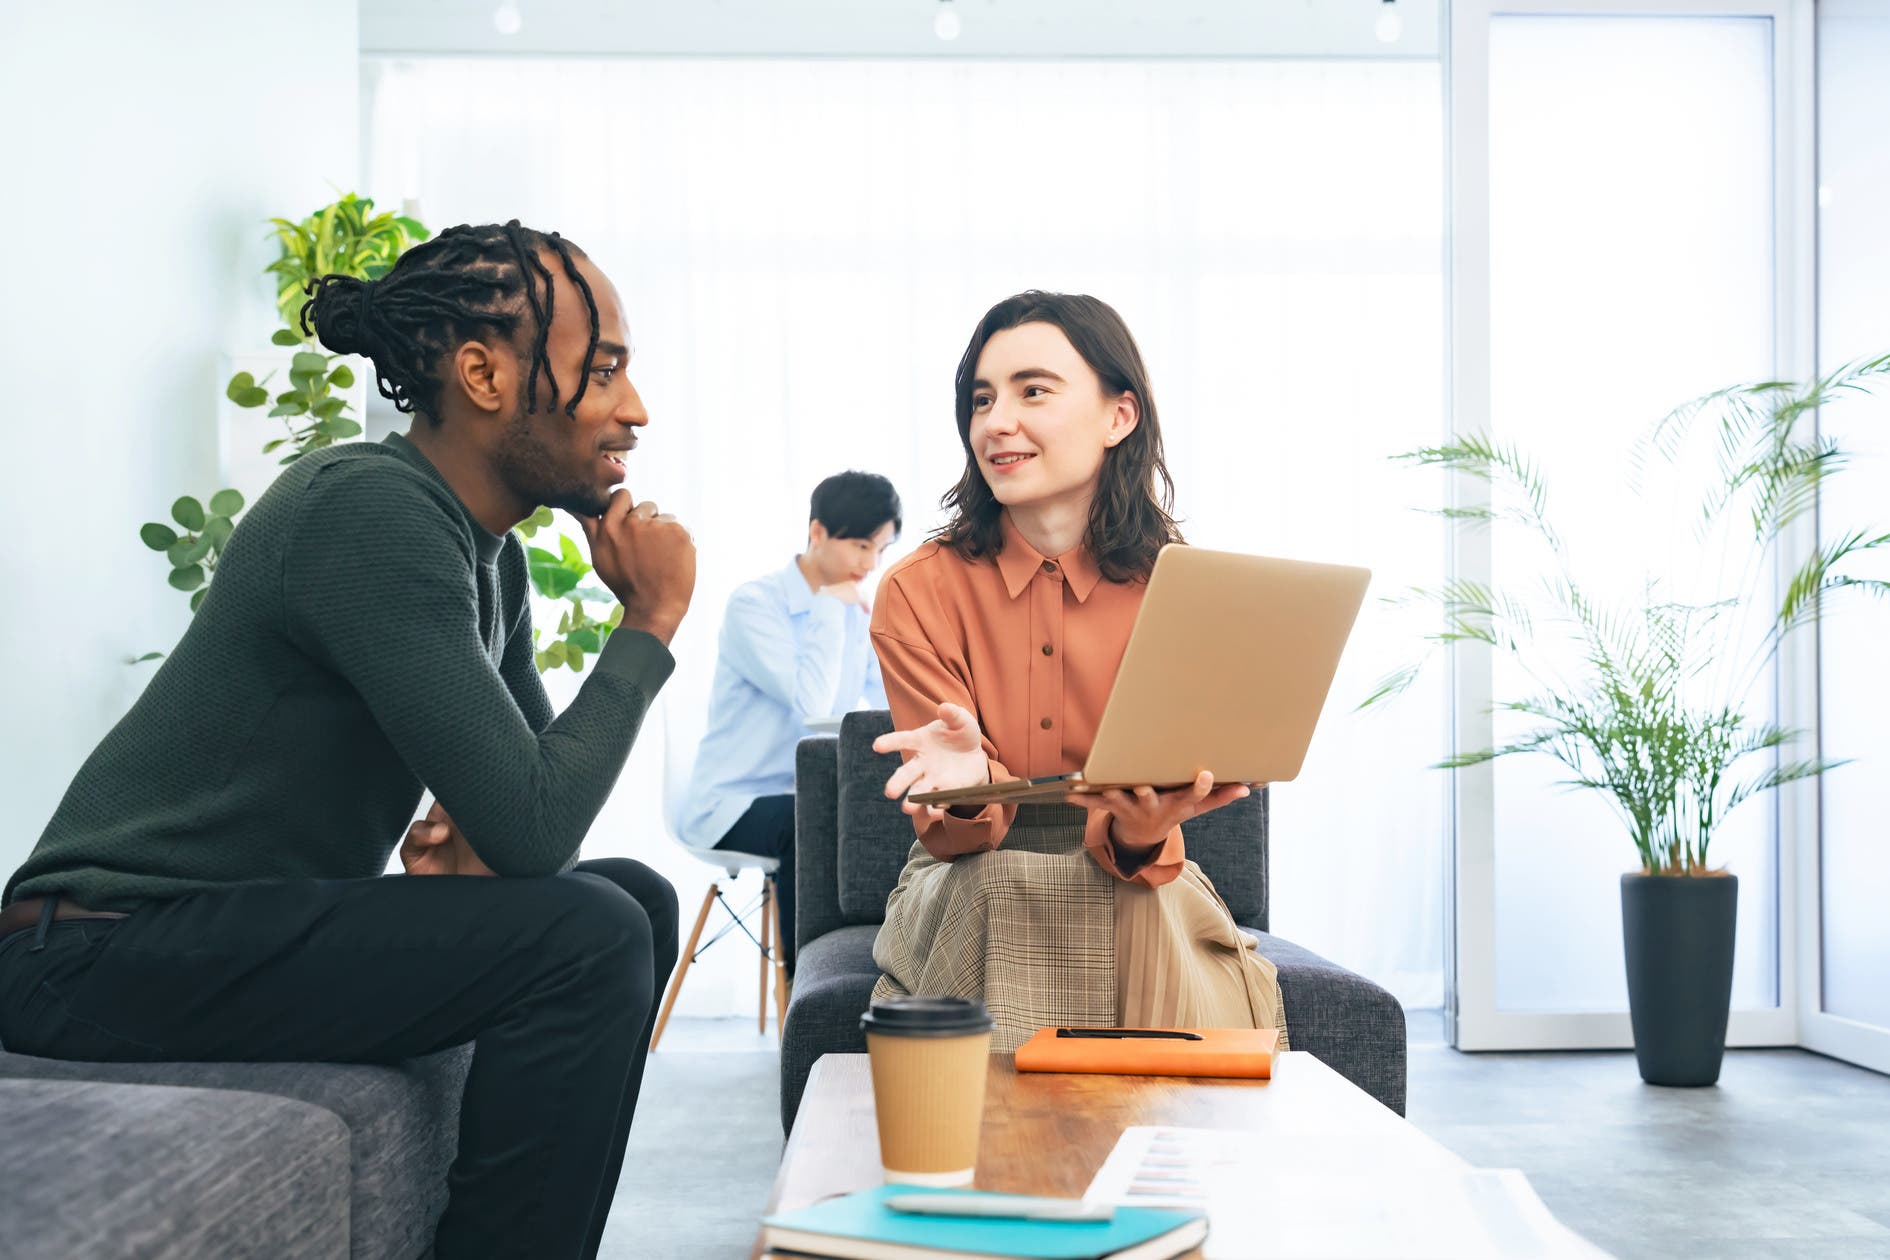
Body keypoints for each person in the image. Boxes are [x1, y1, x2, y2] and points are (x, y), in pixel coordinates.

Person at [0, 221, 694, 1260]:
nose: (633, 411)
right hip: (96, 950)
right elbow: (536, 827)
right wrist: (645, 625)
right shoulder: (369, 509)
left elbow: (528, 814)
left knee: (629, 900)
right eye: (602, 372)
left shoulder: (485, 560)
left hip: (215, 930)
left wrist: (484, 843)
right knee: (587, 936)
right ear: (483, 374)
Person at [867, 291, 1289, 1051]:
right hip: (970, 870)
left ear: (1118, 416)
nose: (996, 422)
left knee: (1130, 897)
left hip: (1138, 869)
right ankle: (1010, 1159)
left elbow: (1142, 848)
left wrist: (1138, 832)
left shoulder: (1181, 591)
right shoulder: (915, 591)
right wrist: (965, 794)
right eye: (982, 399)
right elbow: (965, 843)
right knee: (1004, 887)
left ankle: (1156, 1160)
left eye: (1033, 391)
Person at [678, 472, 901, 967]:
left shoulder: (852, 607)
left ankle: (872, 973)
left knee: (884, 812)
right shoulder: (755, 606)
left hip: (807, 793)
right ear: (817, 532)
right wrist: (828, 608)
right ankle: (807, 983)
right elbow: (812, 707)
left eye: (880, 551)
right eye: (862, 546)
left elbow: (890, 699)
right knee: (814, 822)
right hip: (732, 804)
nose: (869, 564)